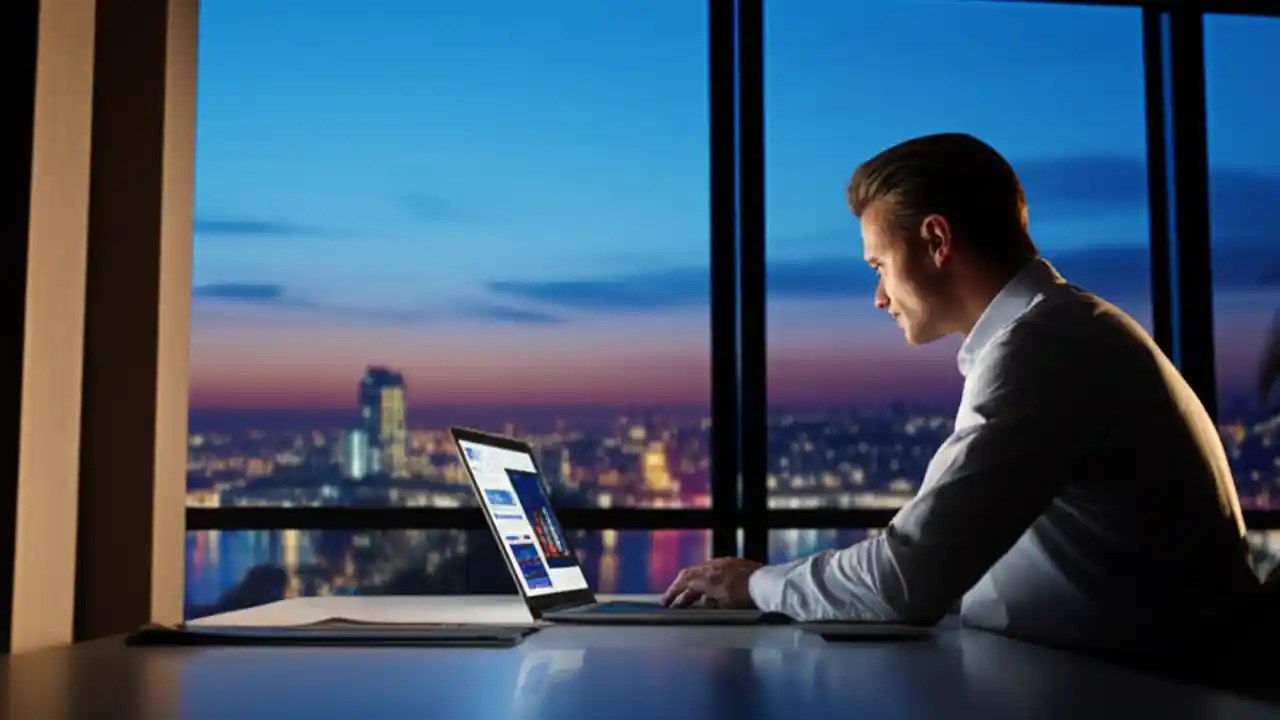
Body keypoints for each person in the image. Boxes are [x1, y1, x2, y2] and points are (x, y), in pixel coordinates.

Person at [661, 132, 1265, 666]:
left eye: (879, 265)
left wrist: (756, 584)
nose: (878, 296)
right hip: (1106, 680)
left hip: (1156, 696)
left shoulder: (1044, 348)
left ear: (935, 239)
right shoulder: (1063, 330)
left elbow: (904, 579)